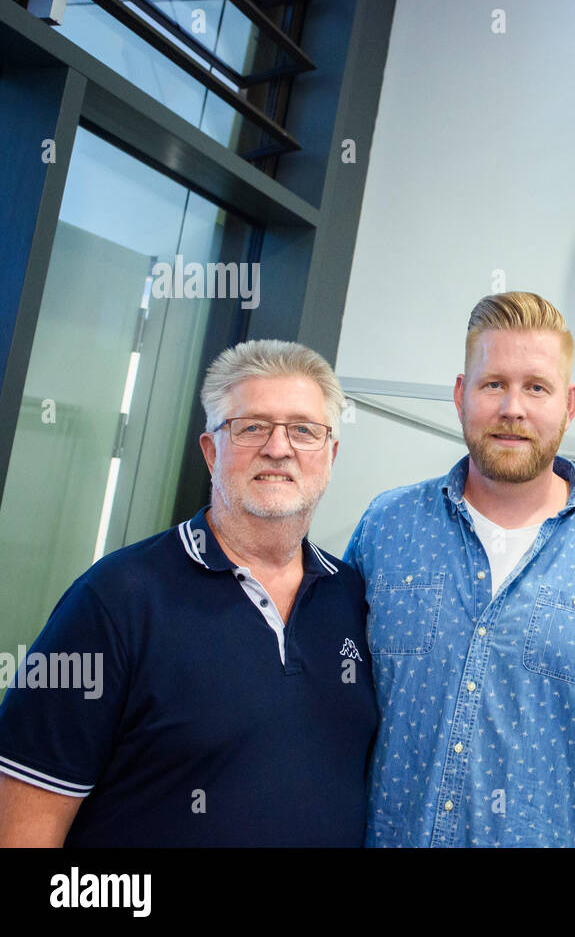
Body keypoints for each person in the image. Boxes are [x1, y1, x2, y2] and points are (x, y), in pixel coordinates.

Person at [346, 291, 575, 847]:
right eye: (494, 384)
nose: (512, 408)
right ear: (462, 395)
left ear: (568, 404)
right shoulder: (387, 528)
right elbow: (334, 707)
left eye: (536, 387)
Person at [0, 340, 377, 846]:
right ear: (209, 449)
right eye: (251, 427)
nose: (278, 447)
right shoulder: (116, 600)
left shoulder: (355, 599)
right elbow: (23, 827)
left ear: (330, 455)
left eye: (303, 430)